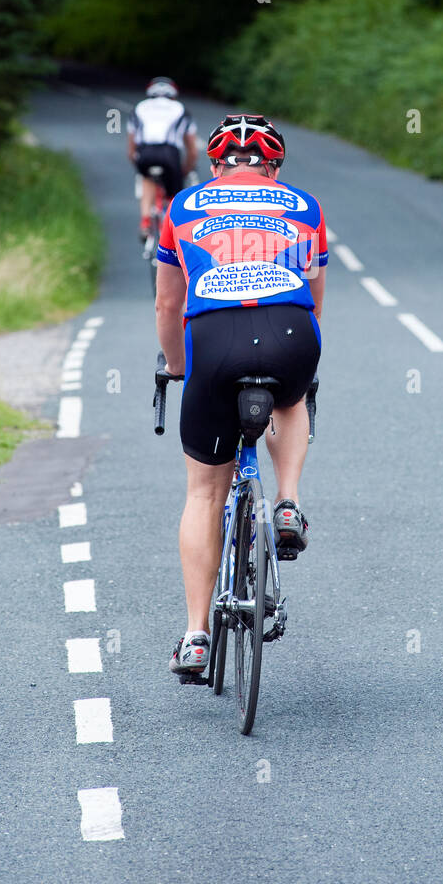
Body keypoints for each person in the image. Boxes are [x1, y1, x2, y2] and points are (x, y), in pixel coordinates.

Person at [154, 113, 327, 676]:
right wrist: (298, 364)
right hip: (290, 333)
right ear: (274, 168)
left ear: (214, 165)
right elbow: (315, 299)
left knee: (204, 493)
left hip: (214, 338)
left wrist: (179, 367)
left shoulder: (181, 207)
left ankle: (196, 635)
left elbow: (166, 305)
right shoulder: (303, 206)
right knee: (292, 397)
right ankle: (289, 503)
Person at [127, 77, 198, 239]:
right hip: (169, 153)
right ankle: (172, 229)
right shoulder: (180, 109)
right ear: (173, 95)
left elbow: (131, 150)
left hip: (145, 153)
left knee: (147, 179)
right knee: (174, 194)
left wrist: (139, 167)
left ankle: (145, 222)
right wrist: (185, 170)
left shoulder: (140, 108)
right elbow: (192, 151)